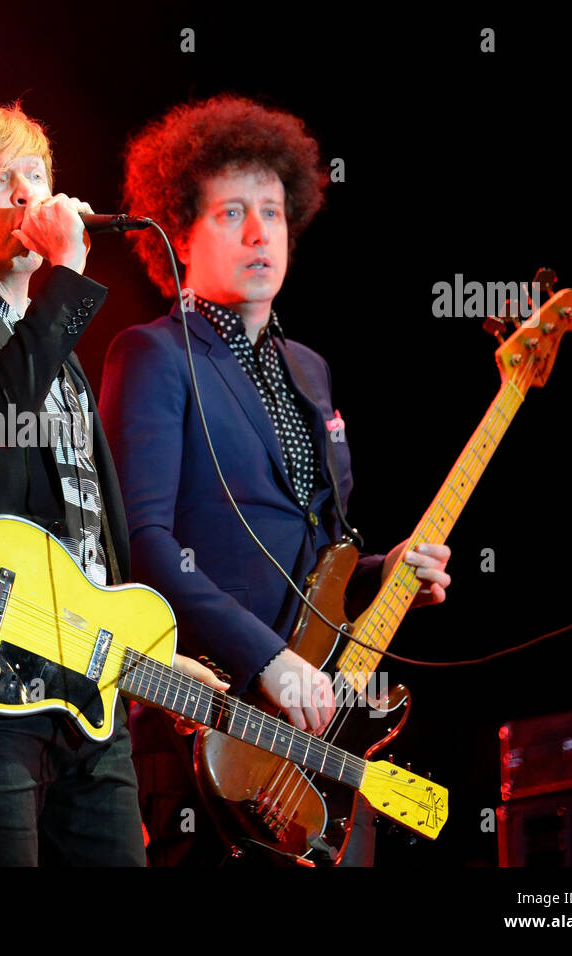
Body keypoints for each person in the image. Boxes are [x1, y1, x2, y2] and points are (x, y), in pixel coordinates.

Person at [101, 95, 452, 865]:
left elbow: (317, 561)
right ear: (180, 234)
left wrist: (383, 574)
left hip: (320, 738)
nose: (260, 233)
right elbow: (140, 544)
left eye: (273, 210)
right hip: (210, 724)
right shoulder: (152, 354)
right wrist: (268, 659)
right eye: (231, 213)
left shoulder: (309, 371)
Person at [0, 70, 224, 866]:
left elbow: (88, 525)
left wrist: (148, 649)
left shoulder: (60, 353)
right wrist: (66, 279)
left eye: (36, 177)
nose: (26, 196)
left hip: (84, 687)